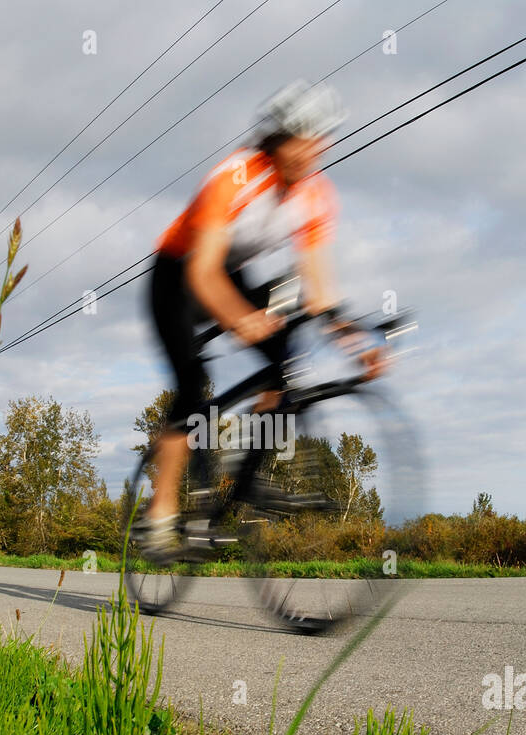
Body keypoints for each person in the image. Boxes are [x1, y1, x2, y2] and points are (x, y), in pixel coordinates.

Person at [138, 79, 378, 561]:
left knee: (288, 353)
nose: (312, 151)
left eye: (320, 140)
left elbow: (318, 291)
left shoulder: (316, 196)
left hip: (229, 273)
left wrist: (355, 339)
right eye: (301, 139)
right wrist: (242, 320)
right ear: (276, 139)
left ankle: (244, 465)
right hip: (178, 275)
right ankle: (158, 518)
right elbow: (203, 274)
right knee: (191, 386)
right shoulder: (234, 177)